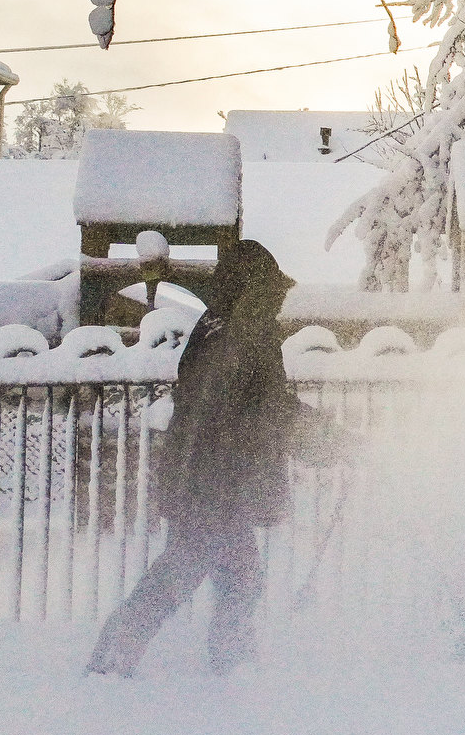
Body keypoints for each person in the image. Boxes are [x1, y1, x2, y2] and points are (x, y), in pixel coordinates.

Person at [88, 240, 349, 677]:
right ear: (252, 290)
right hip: (215, 483)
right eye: (269, 290)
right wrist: (335, 443)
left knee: (229, 577)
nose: (277, 301)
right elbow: (271, 410)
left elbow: (254, 408)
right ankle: (183, 666)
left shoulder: (216, 328)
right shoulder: (243, 336)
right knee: (197, 576)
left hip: (204, 478)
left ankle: (222, 665)